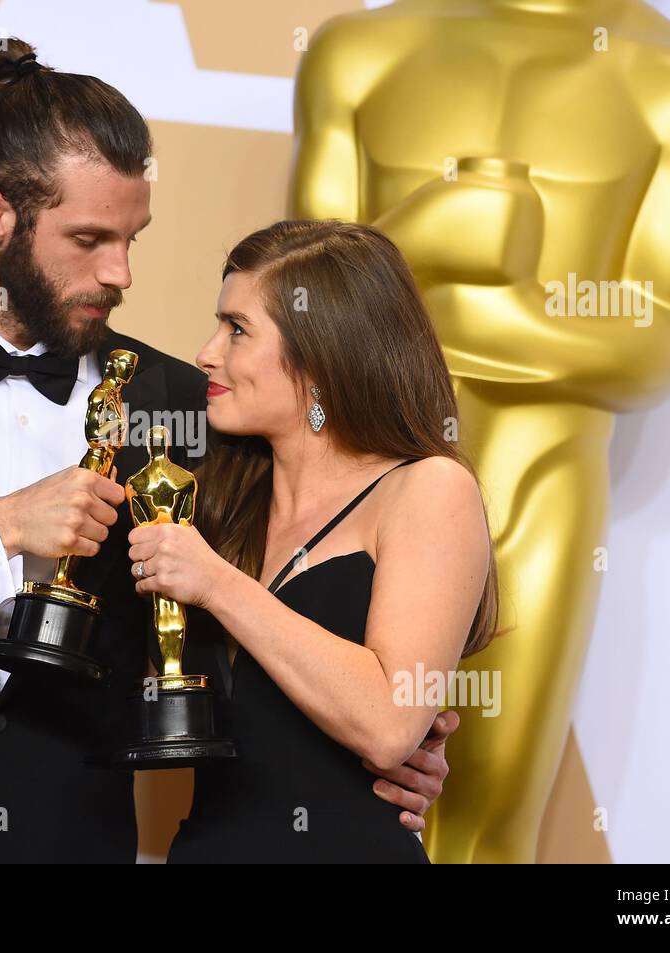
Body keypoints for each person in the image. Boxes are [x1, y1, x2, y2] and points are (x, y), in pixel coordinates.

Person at [0, 40, 454, 864]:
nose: (120, 274)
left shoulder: (187, 401)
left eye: (132, 239)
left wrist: (390, 743)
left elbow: (233, 626)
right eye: (88, 240)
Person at [127, 220, 498, 862]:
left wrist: (216, 583)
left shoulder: (428, 490)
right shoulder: (216, 496)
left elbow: (387, 725)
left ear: (319, 357)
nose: (206, 353)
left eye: (237, 329)